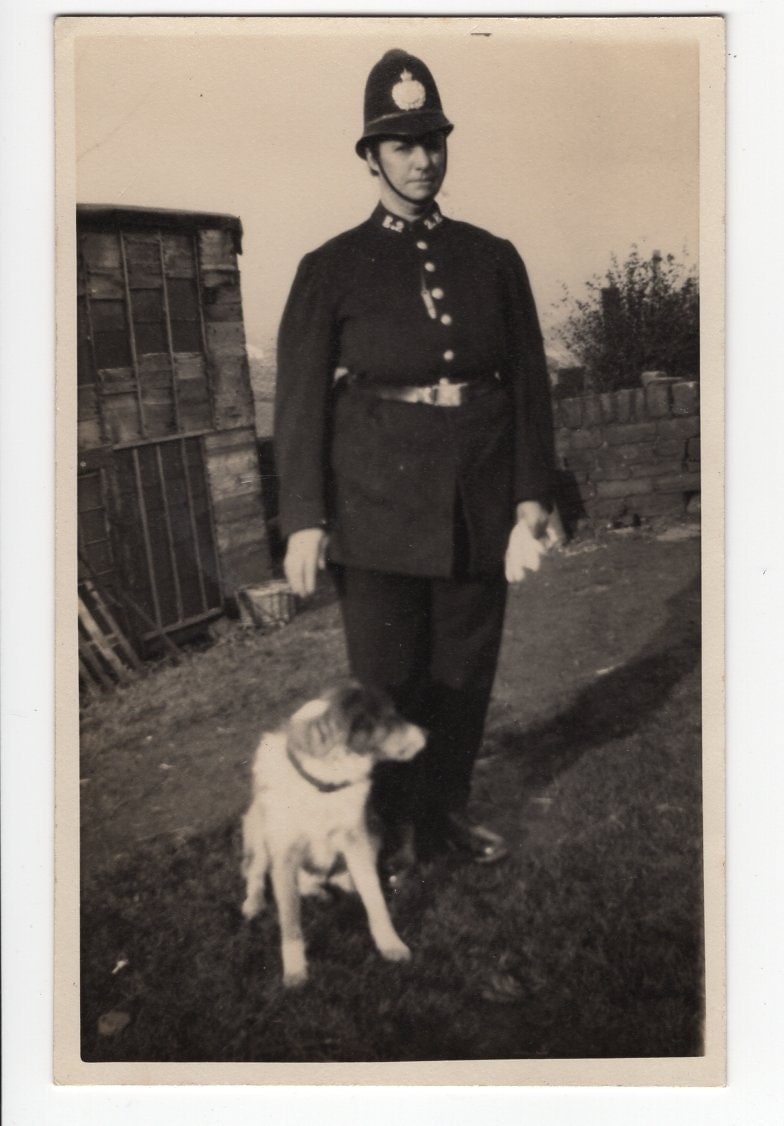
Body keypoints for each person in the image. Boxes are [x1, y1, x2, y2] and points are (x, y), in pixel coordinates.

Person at [274, 48, 557, 884]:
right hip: (376, 509)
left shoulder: (493, 257)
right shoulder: (329, 270)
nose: (422, 158)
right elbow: (297, 405)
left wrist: (531, 495)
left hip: (476, 498)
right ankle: (392, 829)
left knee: (465, 672)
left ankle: (443, 813)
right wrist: (303, 518)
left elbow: (531, 383)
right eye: (401, 144)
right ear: (370, 157)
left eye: (433, 140)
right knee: (389, 679)